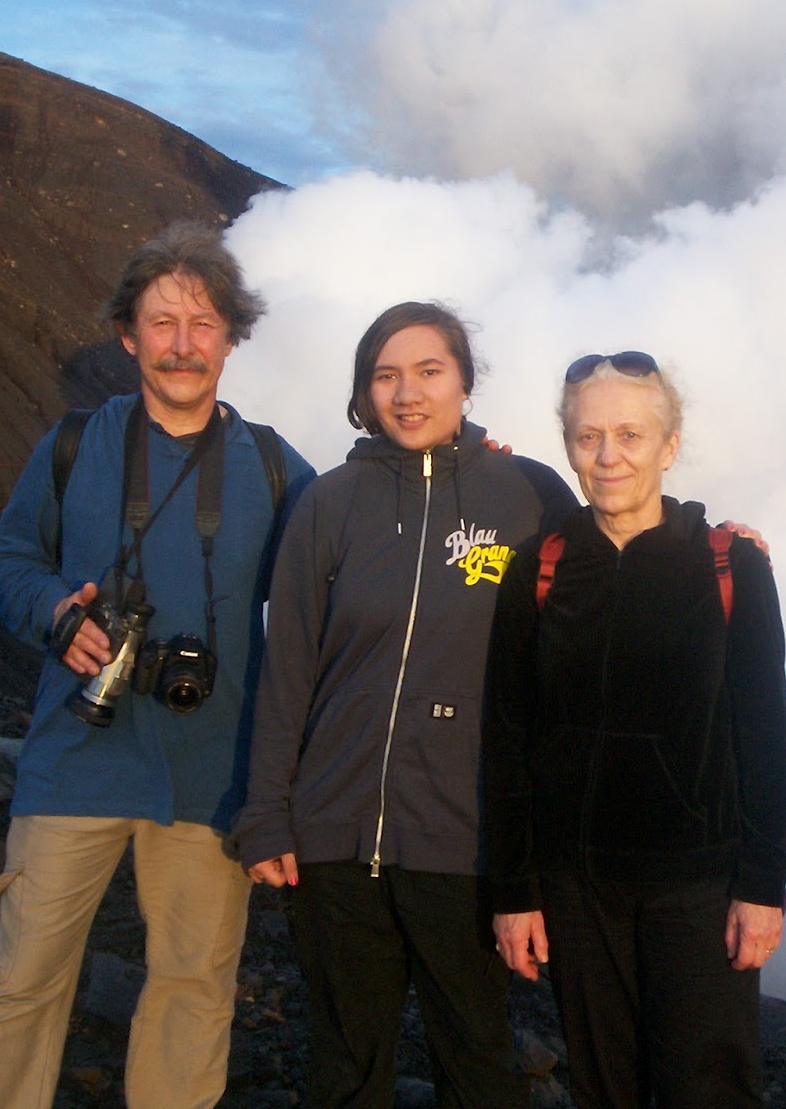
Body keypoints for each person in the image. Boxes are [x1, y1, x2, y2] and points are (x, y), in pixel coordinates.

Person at [0, 222, 315, 1109]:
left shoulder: (270, 466)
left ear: (232, 336)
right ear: (127, 333)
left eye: (204, 323)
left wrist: (463, 463)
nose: (183, 344)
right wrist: (55, 614)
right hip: (77, 757)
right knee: (20, 983)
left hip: (211, 773)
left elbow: (361, 545)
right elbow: (6, 559)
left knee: (192, 993)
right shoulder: (76, 445)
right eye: (162, 323)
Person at [231, 302, 579, 1109]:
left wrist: (711, 536)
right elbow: (286, 670)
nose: (408, 393)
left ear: (465, 381)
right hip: (333, 838)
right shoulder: (329, 503)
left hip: (463, 840)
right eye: (386, 375)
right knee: (347, 1066)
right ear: (363, 392)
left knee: (479, 1060)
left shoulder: (524, 497)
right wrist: (268, 815)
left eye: (429, 371)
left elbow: (617, 572)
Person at [483, 351, 786, 1109]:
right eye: (588, 436)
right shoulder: (539, 570)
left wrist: (763, 885)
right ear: (568, 446)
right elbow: (509, 740)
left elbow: (764, 732)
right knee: (603, 1091)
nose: (608, 456)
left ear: (669, 444)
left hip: (699, 886)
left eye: (629, 434)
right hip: (577, 887)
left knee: (712, 1091)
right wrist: (514, 891)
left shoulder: (728, 564)